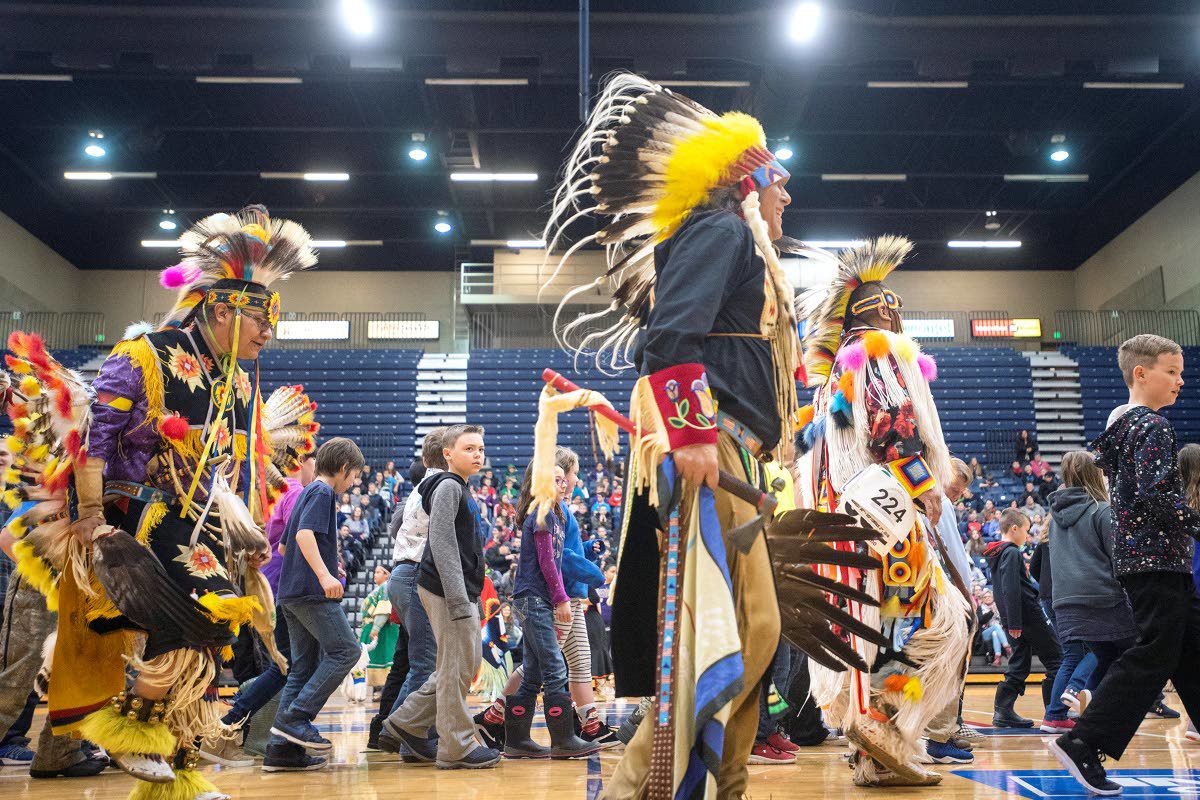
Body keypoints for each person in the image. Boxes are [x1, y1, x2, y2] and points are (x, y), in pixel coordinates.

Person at [541, 73, 809, 799]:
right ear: (750, 187)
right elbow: (667, 340)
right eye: (778, 182)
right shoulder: (722, 230)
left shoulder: (739, 245)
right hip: (710, 451)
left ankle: (725, 783)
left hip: (736, 459)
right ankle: (642, 786)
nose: (787, 196)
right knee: (735, 634)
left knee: (746, 634)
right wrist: (691, 435)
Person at [36, 207, 318, 800]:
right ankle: (132, 729)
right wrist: (89, 516)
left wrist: (244, 526)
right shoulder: (145, 355)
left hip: (199, 523)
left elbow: (231, 466)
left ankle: (178, 773)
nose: (269, 333)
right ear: (223, 310)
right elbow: (95, 439)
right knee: (190, 620)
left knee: (215, 638)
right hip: (132, 516)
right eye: (263, 320)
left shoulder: (238, 380)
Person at [794, 237, 971, 786]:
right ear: (882, 312)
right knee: (933, 621)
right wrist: (924, 487)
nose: (897, 314)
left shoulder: (827, 383)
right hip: (886, 517)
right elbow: (893, 427)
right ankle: (883, 736)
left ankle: (878, 748)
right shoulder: (878, 355)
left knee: (869, 629)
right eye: (892, 306)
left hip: (841, 521)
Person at [1050, 335, 1200, 796]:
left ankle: (1084, 738)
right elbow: (1155, 497)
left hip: (1143, 558)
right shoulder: (1152, 427)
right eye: (1171, 372)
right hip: (1157, 559)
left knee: (1189, 648)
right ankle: (1083, 740)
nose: (1180, 380)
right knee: (1155, 652)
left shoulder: (1123, 425)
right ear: (1141, 373)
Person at [381, 424, 501, 769]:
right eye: (468, 448)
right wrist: (459, 597)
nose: (477, 454)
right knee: (457, 668)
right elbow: (444, 543)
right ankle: (457, 746)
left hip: (452, 587)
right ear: (447, 453)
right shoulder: (449, 485)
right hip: (445, 589)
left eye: (480, 448)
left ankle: (406, 721)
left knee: (461, 664)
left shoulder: (455, 486)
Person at [265, 437, 365, 771]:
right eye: (353, 477)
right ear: (342, 468)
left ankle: (280, 752)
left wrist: (325, 562)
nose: (352, 484)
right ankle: (297, 717)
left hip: (290, 593)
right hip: (309, 592)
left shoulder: (307, 492)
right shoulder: (322, 493)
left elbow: (283, 548)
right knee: (346, 651)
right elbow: (305, 537)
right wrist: (324, 575)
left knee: (303, 668)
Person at [499, 463, 599, 759]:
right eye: (555, 480)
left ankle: (516, 742)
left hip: (534, 599)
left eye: (562, 479)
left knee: (533, 672)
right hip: (535, 599)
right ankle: (563, 740)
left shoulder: (553, 513)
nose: (563, 484)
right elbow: (547, 563)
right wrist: (561, 598)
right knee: (555, 668)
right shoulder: (543, 513)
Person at [985, 509, 1062, 729]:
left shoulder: (997, 552)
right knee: (1057, 658)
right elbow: (1010, 588)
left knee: (1019, 664)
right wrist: (1015, 622)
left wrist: (1010, 621)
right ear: (1014, 528)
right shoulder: (1011, 552)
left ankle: (1003, 712)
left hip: (1015, 617)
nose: (1027, 536)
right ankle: (1055, 712)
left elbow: (1001, 591)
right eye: (1026, 531)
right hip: (1026, 614)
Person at [361, 565, 400, 687]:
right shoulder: (379, 589)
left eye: (378, 572)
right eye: (375, 572)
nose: (375, 574)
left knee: (382, 658)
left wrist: (376, 628)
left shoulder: (386, 586)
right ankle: (380, 689)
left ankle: (383, 689)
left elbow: (384, 608)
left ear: (387, 575)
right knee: (377, 658)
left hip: (382, 630)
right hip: (374, 627)